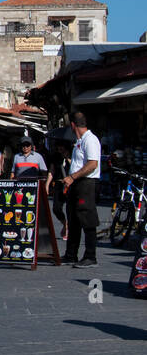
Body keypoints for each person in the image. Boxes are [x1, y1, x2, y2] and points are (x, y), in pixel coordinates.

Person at [64, 112, 102, 268]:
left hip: (86, 183)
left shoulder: (90, 140)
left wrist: (73, 176)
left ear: (73, 125)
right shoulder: (79, 141)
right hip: (76, 184)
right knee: (73, 219)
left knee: (87, 219)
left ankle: (90, 256)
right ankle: (71, 254)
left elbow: (93, 164)